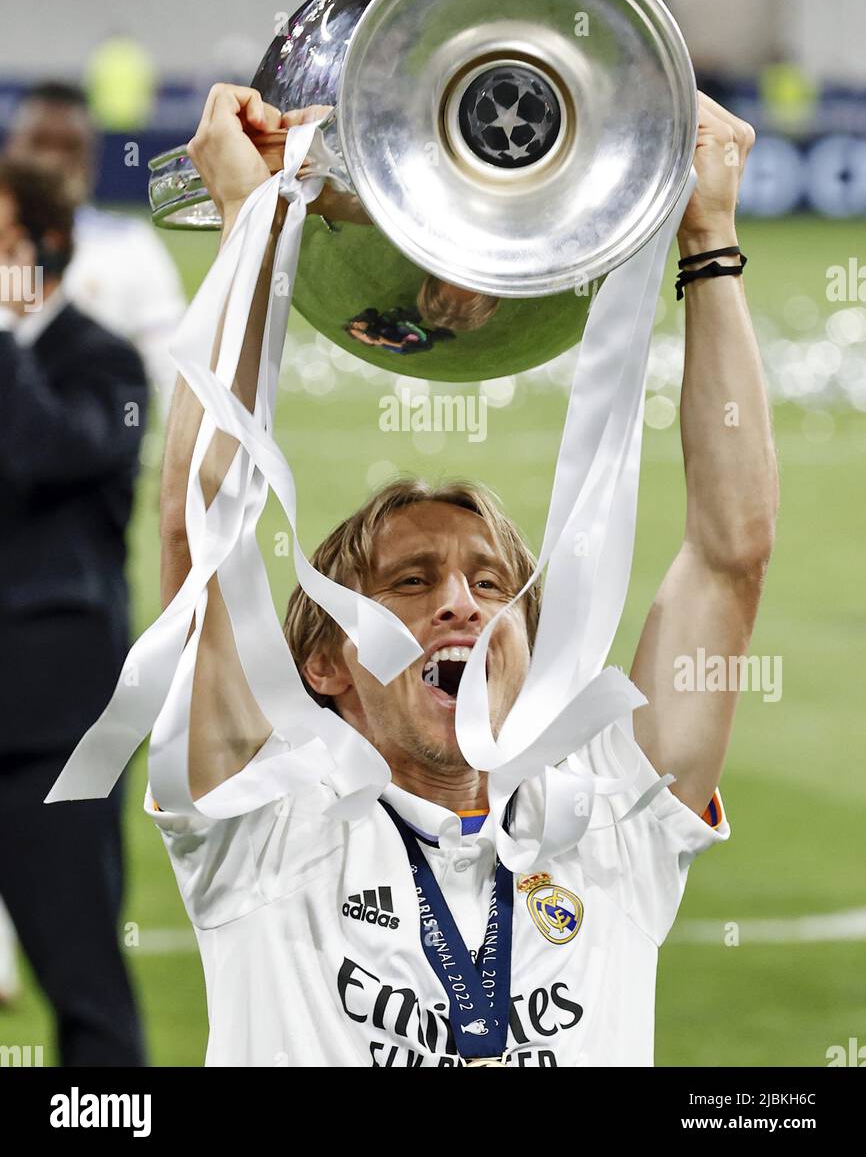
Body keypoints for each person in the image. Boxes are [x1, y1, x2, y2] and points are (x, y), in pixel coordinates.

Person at [143, 84, 778, 1067]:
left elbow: (728, 558)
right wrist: (249, 226)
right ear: (322, 666)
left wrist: (706, 233)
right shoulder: (267, 815)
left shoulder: (606, 819)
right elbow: (199, 534)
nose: (457, 604)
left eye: (492, 586)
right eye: (407, 583)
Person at [0, 158, 147, 1065]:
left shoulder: (107, 361)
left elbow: (43, 453)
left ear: (44, 246)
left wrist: (4, 337)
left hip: (51, 725)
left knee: (83, 977)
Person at [4, 81, 186, 421]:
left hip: (86, 451)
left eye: (70, 147)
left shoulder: (131, 245)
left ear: (92, 158)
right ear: (12, 148)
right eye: (40, 143)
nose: (53, 161)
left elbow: (173, 366)